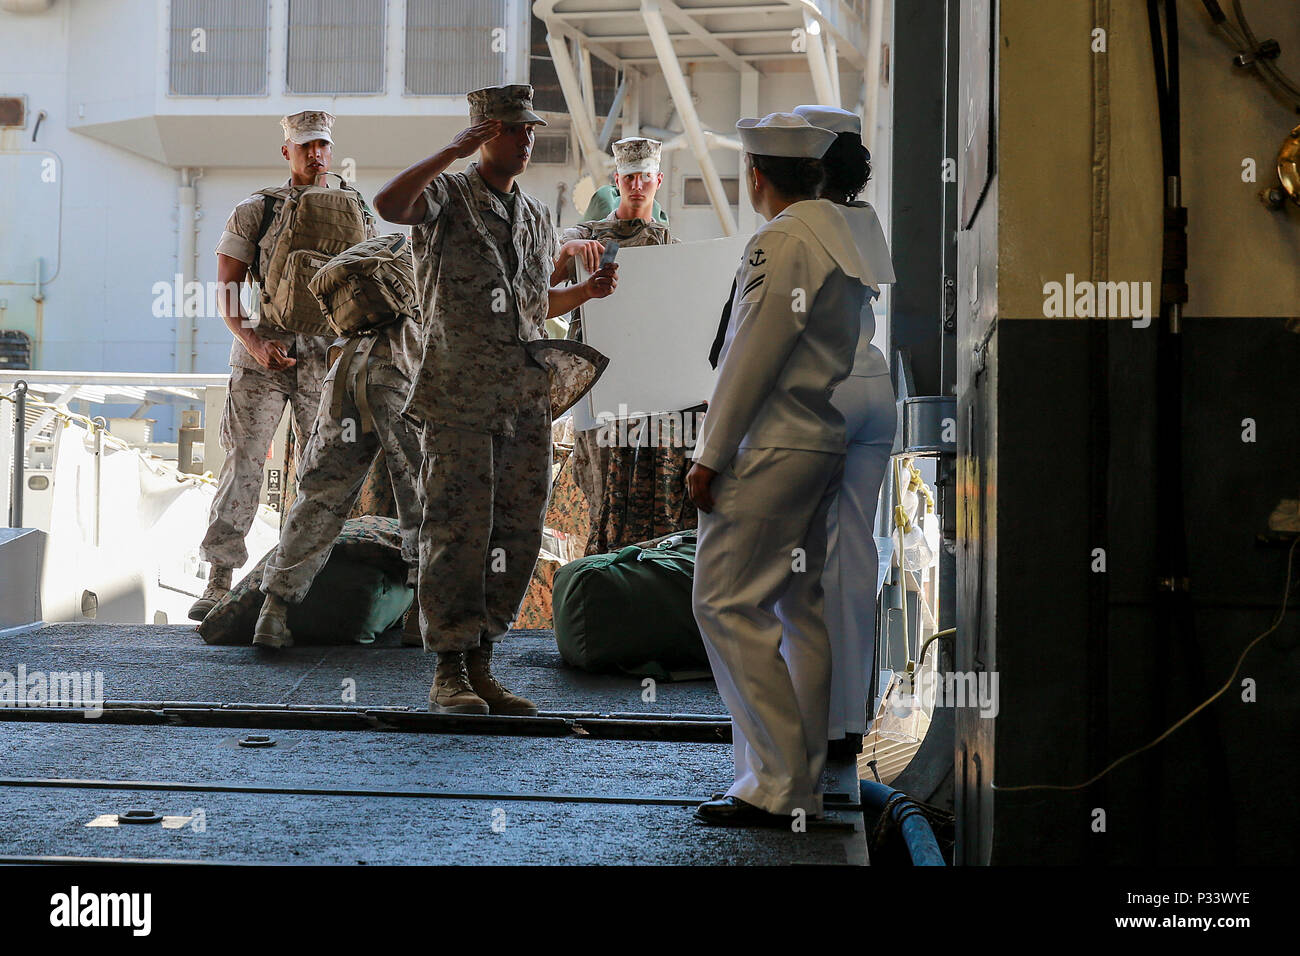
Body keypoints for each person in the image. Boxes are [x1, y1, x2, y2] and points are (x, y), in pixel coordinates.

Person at [374, 84, 617, 717]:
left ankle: (482, 662)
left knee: (516, 530)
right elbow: (389, 203)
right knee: (457, 529)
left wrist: (585, 293)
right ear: (484, 136)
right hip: (458, 397)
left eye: (530, 129)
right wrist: (449, 153)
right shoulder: (447, 198)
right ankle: (447, 669)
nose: (527, 138)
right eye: (513, 129)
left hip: (523, 397)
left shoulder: (536, 215)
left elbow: (537, 308)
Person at [687, 113, 880, 828]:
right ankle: (797, 779)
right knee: (800, 609)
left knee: (725, 604)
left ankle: (774, 783)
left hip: (770, 446)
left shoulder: (785, 238)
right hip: (818, 439)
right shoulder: (844, 233)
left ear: (757, 176)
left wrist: (709, 453)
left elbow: (753, 352)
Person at [189, 110, 375, 621]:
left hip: (327, 354)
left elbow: (372, 281)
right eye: (307, 145)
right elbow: (227, 287)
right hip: (263, 352)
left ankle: (296, 581)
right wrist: (251, 341)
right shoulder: (257, 210)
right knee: (246, 459)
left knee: (320, 469)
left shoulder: (354, 208)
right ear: (287, 152)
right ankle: (220, 578)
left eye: (324, 146)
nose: (317, 154)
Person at [251, 235, 425, 649]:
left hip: (346, 367)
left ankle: (274, 613)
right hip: (400, 368)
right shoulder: (449, 255)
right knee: (423, 492)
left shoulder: (401, 253)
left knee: (319, 495)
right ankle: (424, 613)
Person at [792, 105, 898, 758]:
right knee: (855, 559)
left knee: (797, 566)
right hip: (873, 392)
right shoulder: (864, 220)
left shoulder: (803, 225)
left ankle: (809, 722)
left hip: (819, 398)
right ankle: (848, 724)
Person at [555, 137, 699, 553]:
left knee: (656, 493)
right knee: (600, 488)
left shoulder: (668, 244)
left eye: (645, 178)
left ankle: (643, 576)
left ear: (658, 181)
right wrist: (570, 250)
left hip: (653, 389)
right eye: (629, 178)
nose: (638, 186)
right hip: (596, 383)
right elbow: (545, 278)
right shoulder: (587, 235)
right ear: (617, 181)